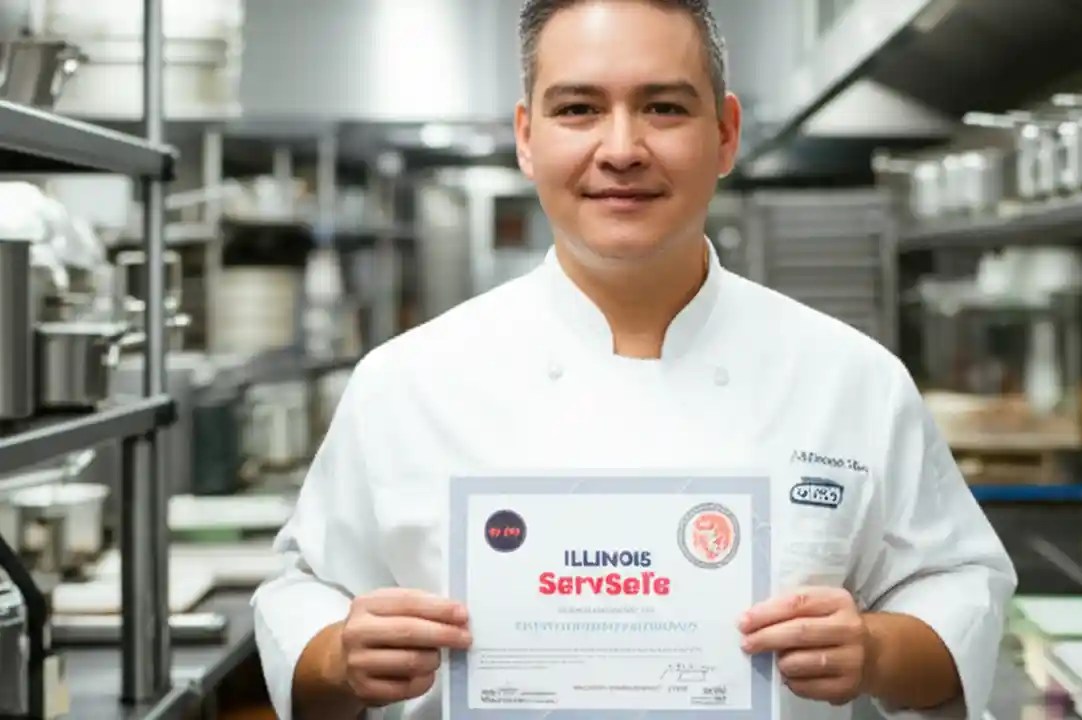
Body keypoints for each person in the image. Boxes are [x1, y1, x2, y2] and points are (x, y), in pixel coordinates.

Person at [251, 0, 1018, 718]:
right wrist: (342, 657)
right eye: (579, 108)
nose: (621, 150)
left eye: (664, 107)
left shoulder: (852, 378)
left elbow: (957, 590)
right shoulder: (405, 382)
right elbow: (304, 597)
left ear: (724, 134)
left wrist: (876, 649)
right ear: (526, 136)